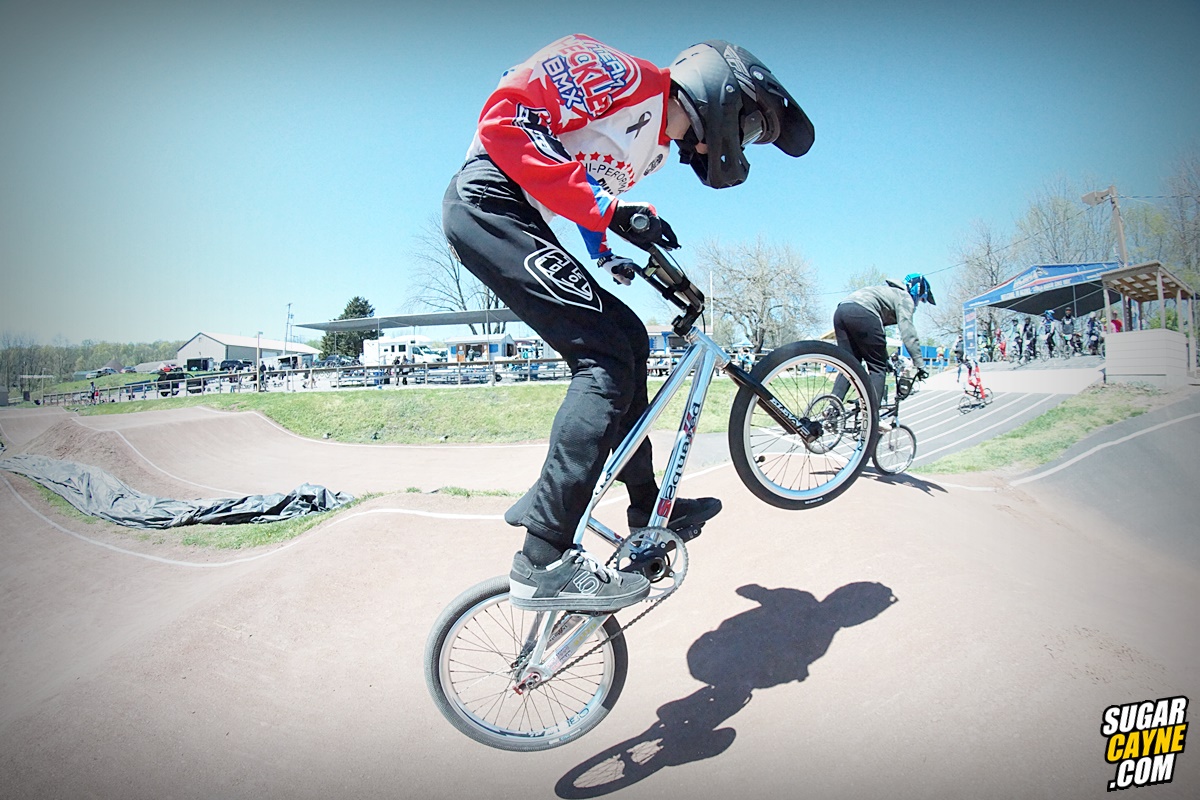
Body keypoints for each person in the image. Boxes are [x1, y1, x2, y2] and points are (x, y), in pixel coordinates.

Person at [442, 35, 815, 612]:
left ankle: (647, 508)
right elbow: (506, 121)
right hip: (488, 204)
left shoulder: (654, 151)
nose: (738, 145)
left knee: (629, 339)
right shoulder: (623, 75)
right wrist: (610, 212)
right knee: (604, 359)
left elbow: (585, 178)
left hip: (521, 214)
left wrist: (609, 245)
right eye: (746, 131)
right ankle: (542, 555)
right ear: (722, 101)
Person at [830, 273, 933, 418]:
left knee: (849, 365)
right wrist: (920, 364)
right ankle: (872, 418)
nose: (918, 304)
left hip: (841, 311)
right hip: (863, 312)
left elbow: (872, 339)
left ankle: (831, 410)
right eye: (922, 299)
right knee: (878, 369)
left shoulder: (886, 292)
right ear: (917, 291)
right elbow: (908, 333)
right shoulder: (904, 297)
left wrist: (885, 358)